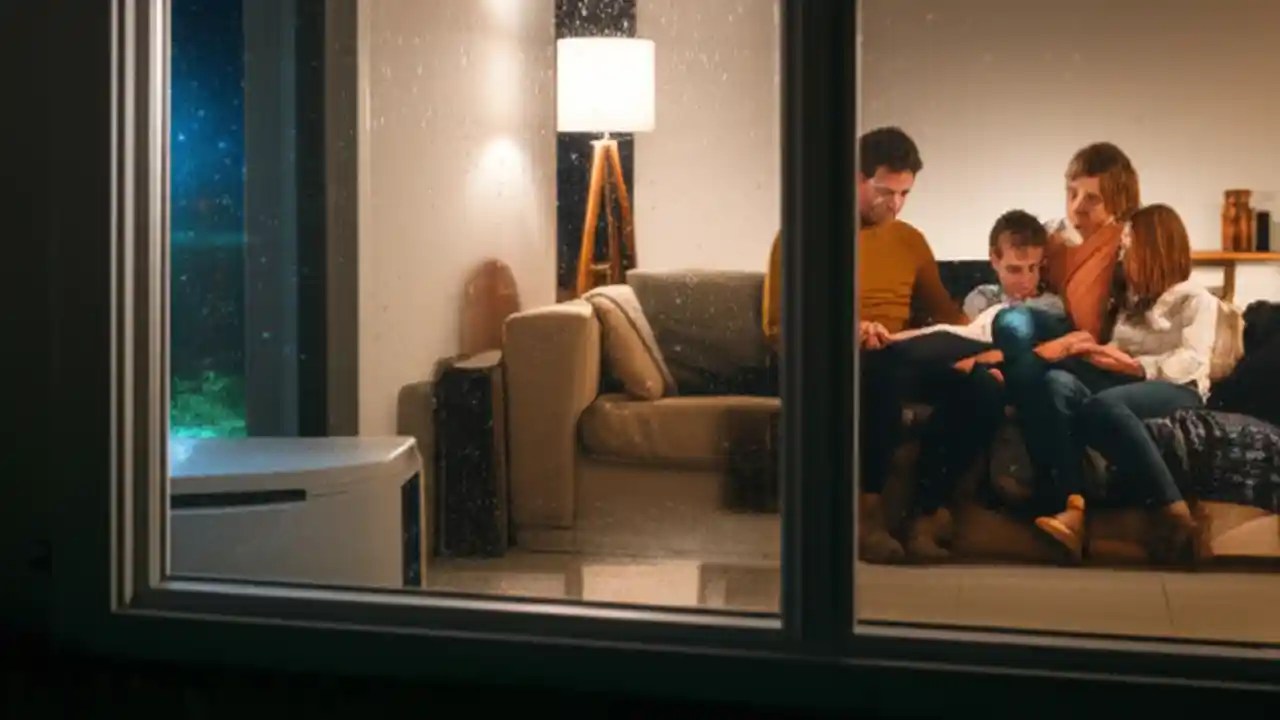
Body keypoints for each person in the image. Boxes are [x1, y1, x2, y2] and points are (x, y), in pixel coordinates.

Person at [762, 126, 967, 562]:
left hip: (898, 351)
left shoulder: (909, 239)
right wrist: (847, 331)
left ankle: (924, 514)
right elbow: (777, 326)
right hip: (839, 361)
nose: (894, 204)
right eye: (883, 191)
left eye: (904, 193)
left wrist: (984, 337)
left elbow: (947, 314)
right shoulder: (804, 233)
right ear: (853, 178)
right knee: (882, 371)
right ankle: (867, 514)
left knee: (983, 387)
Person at [993, 204, 1219, 564]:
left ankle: (1177, 515)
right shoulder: (1127, 302)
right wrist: (1096, 354)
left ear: (1155, 249)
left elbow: (1192, 362)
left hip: (1176, 386)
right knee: (1056, 383)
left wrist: (1134, 367)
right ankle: (1072, 508)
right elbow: (1116, 351)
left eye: (1129, 247)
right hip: (1119, 377)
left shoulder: (1196, 299)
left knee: (1104, 405)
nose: (1123, 256)